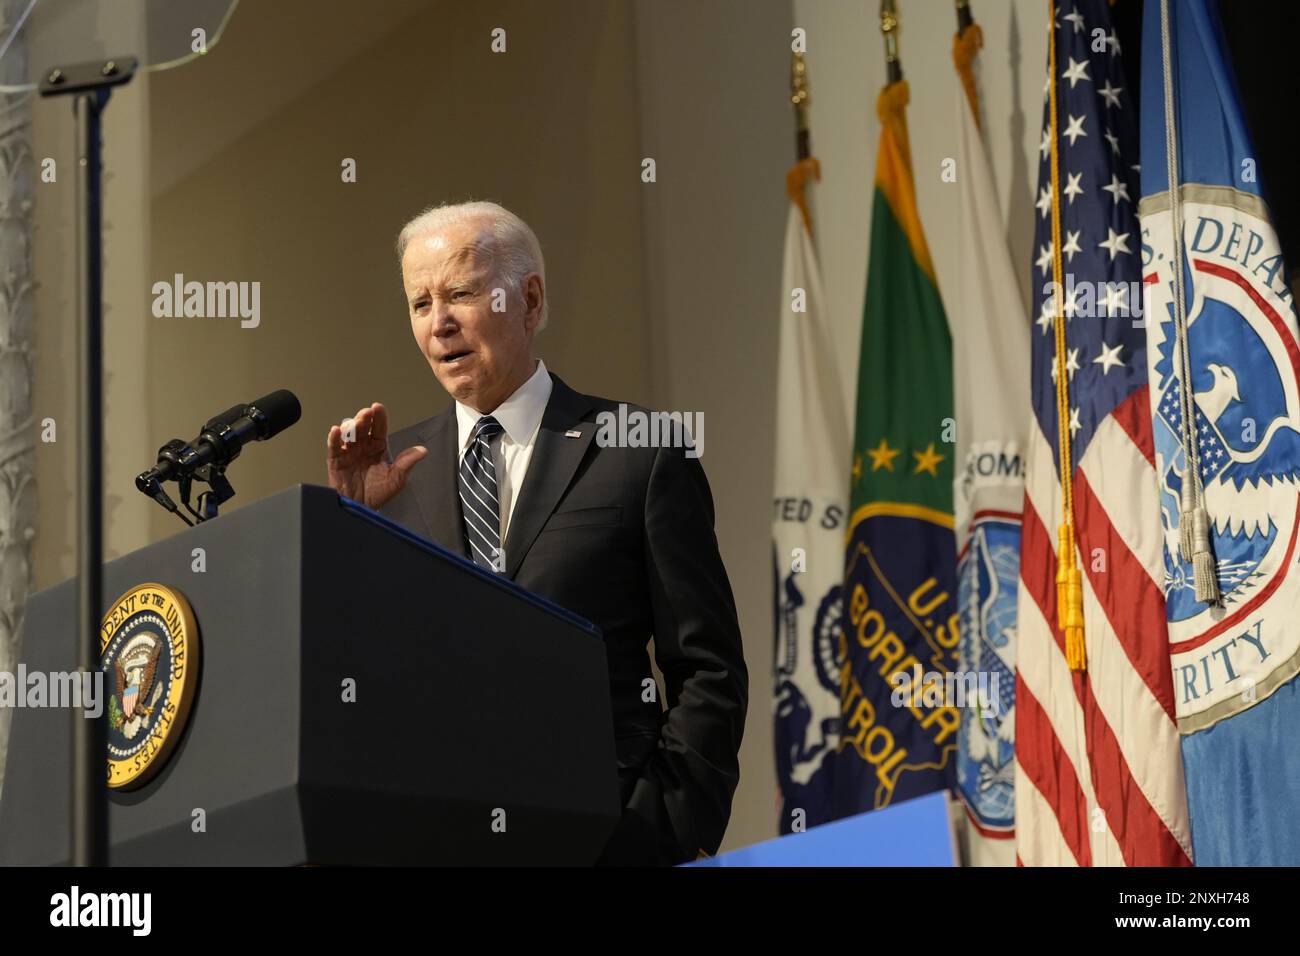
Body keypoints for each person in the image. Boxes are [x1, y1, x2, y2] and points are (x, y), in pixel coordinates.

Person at [325, 201, 747, 865]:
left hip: (610, 837)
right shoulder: (388, 477)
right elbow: (358, 686)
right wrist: (351, 526)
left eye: (461, 293)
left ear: (529, 298)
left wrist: (670, 821)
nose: (439, 325)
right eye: (419, 302)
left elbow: (707, 666)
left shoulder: (638, 450)